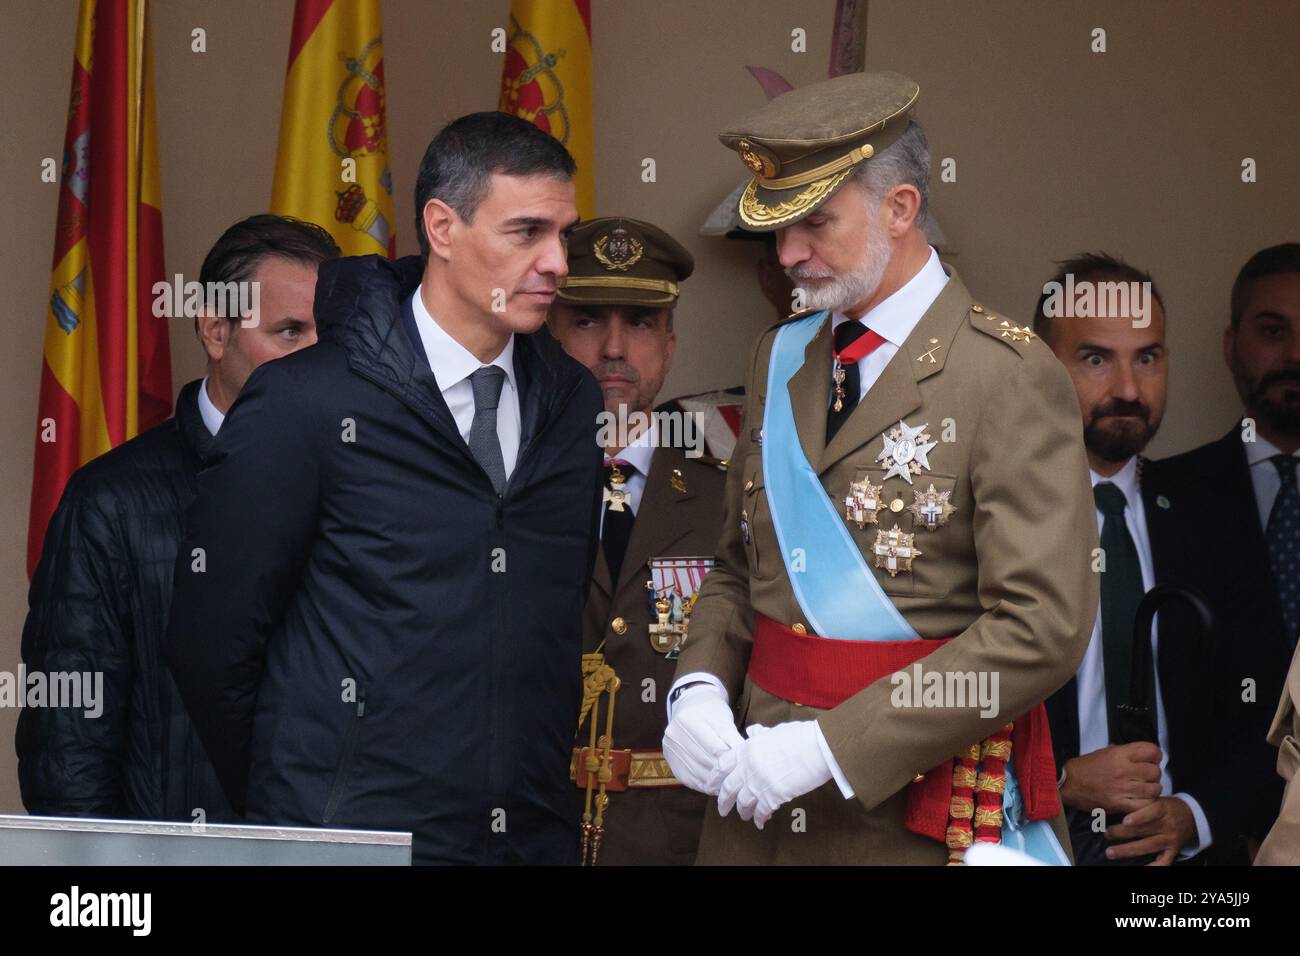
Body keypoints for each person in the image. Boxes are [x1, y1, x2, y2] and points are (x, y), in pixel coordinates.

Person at [660, 71, 1097, 865]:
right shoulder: (780, 355)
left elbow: (1042, 629)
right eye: (777, 227)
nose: (787, 254)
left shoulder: (1006, 374)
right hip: (752, 806)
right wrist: (696, 687)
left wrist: (831, 747)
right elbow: (737, 566)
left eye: (813, 223)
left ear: (900, 209)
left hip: (909, 815)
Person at [164, 112, 604, 865]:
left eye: (564, 234)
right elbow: (213, 640)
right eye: (526, 232)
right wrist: (309, 808)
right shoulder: (306, 402)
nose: (558, 262)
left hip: (528, 839)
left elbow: (554, 632)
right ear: (442, 226)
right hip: (353, 843)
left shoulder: (573, 404)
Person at [17, 214, 338, 822]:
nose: (316, 360)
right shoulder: (108, 502)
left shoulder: (369, 488)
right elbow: (68, 751)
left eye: (330, 337)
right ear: (216, 329)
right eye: (290, 332)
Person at [1036, 252, 1275, 865]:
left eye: (1147, 357)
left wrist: (1193, 815)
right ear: (1039, 366)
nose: (1127, 390)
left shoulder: (1215, 514)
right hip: (1035, 846)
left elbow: (1267, 712)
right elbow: (938, 711)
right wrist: (1059, 780)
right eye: (1095, 359)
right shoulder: (991, 520)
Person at [549, 216, 725, 865]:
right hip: (535, 829)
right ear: (551, 333)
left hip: (678, 839)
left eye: (641, 323)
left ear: (671, 345)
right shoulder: (505, 489)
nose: (615, 348)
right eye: (588, 321)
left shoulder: (728, 496)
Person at [1153, 242, 1300, 848]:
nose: (1295, 355)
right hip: (1207, 853)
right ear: (1230, 343)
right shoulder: (1159, 495)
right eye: (1273, 331)